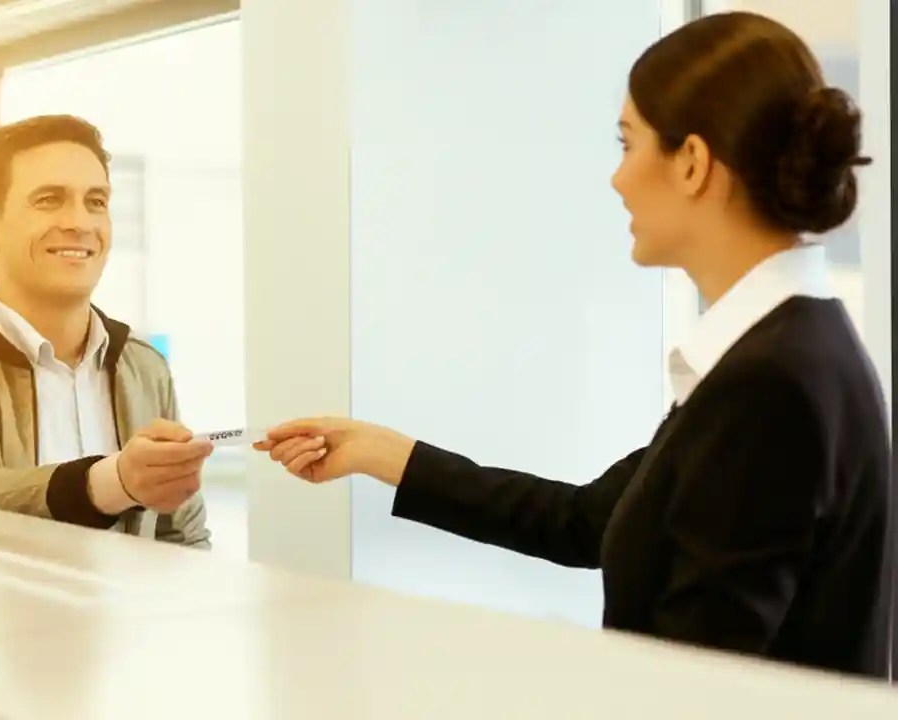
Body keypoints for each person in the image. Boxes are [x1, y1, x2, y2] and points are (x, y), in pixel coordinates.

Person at [257, 12, 892, 677]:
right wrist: (381, 452)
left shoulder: (768, 384)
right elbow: (586, 520)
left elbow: (696, 681)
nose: (617, 179)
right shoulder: (787, 350)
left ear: (692, 163)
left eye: (627, 143)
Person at [0, 114, 212, 547]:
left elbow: (182, 538)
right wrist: (112, 483)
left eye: (96, 201)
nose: (80, 223)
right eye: (49, 199)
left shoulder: (144, 367)